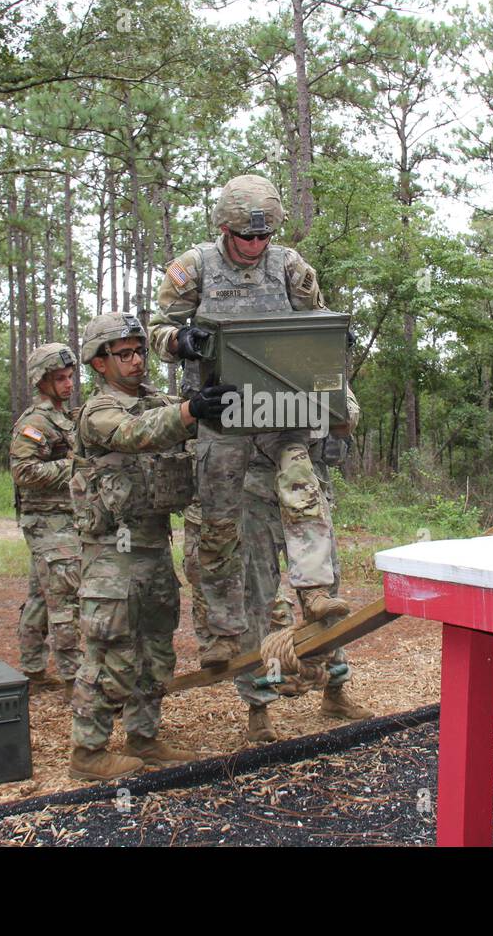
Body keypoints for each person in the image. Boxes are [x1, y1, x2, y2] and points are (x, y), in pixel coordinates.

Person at [148, 174, 348, 669]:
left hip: (283, 411)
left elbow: (318, 331)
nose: (256, 245)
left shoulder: (290, 268)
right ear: (224, 227)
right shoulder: (193, 267)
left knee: (304, 493)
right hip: (220, 414)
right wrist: (180, 341)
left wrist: (335, 406)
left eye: (264, 236)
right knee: (217, 525)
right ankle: (221, 632)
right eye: (246, 236)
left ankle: (316, 591)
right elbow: (158, 329)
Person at [67, 312, 234, 781]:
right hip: (110, 553)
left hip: (153, 544)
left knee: (156, 649)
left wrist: (208, 397)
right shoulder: (98, 411)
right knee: (110, 649)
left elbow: (182, 424)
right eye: (124, 354)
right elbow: (133, 434)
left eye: (139, 351)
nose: (137, 360)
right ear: (99, 364)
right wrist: (190, 411)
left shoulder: (157, 401)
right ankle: (89, 750)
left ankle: (144, 735)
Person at [186, 387, 373, 744]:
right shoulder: (239, 363)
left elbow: (347, 417)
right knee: (256, 599)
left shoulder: (316, 361)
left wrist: (309, 401)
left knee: (326, 596)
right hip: (252, 494)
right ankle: (259, 707)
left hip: (307, 493)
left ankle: (334, 689)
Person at [10, 342, 82, 698]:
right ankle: (74, 679)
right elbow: (23, 471)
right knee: (66, 598)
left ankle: (34, 669)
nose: (68, 384)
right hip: (48, 521)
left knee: (41, 596)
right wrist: (74, 468)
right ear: (42, 381)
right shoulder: (36, 422)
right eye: (60, 378)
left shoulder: (65, 417)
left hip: (62, 518)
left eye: (70, 377)